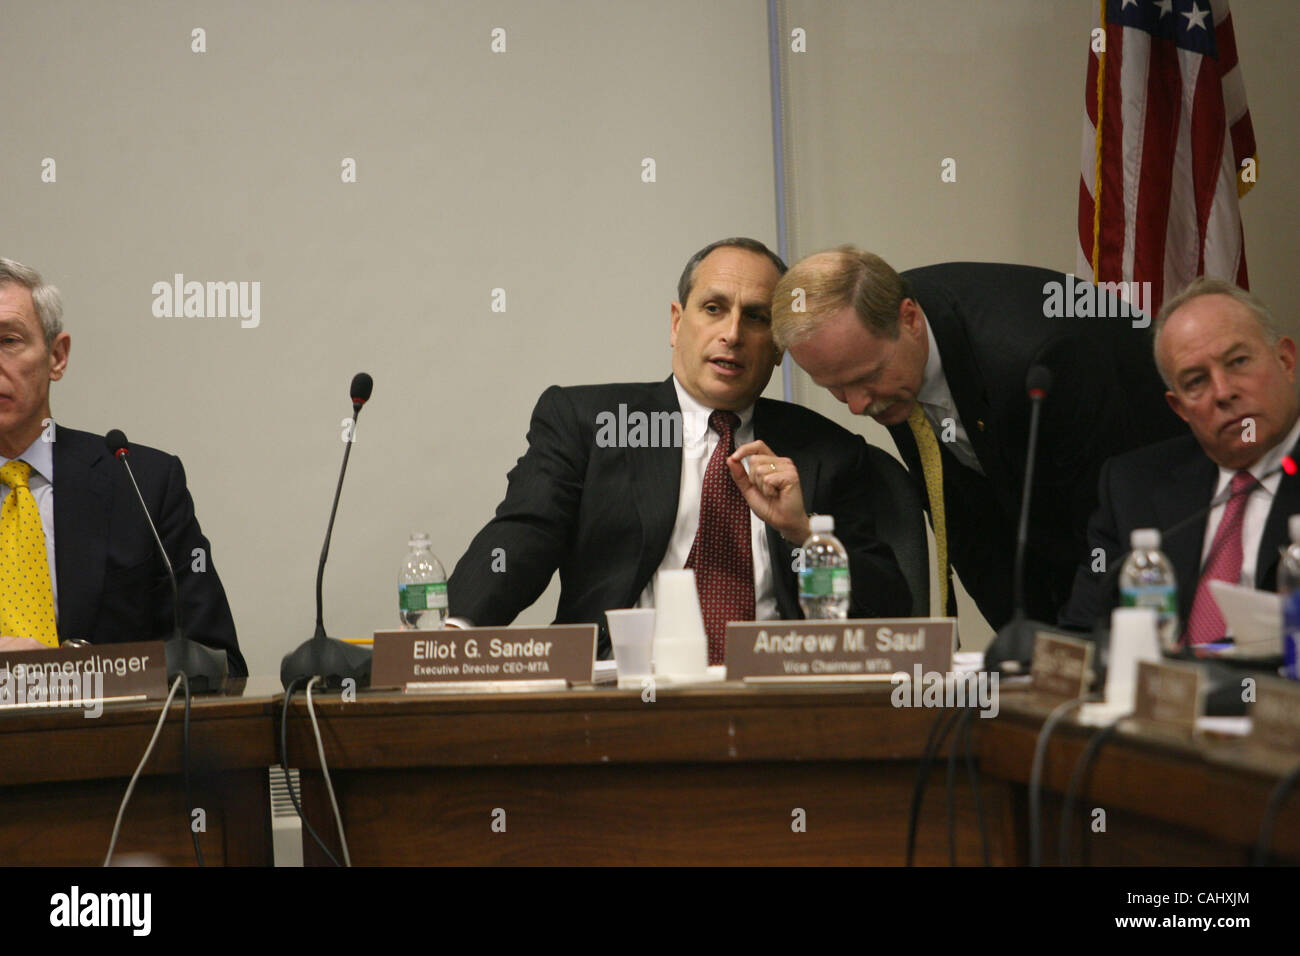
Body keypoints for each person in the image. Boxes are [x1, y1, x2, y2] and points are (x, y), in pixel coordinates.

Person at [448, 238, 911, 660]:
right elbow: (524, 533)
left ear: (778, 347)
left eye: (756, 317)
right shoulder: (591, 422)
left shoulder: (824, 451)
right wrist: (453, 634)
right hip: (621, 685)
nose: (732, 333)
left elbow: (890, 609)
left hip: (772, 692)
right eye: (713, 308)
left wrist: (804, 532)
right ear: (676, 322)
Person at [772, 249, 1181, 629]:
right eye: (835, 388)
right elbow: (971, 529)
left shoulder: (1039, 360)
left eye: (866, 378)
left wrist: (1068, 652)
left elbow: (1107, 528)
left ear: (910, 320)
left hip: (1164, 540)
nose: (857, 405)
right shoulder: (887, 364)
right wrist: (1023, 644)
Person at [0, 258, 245, 675]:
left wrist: (72, 674)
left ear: (57, 356)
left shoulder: (142, 484)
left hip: (112, 735)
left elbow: (214, 661)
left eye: (8, 340)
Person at [1061, 278, 1300, 642]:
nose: (1223, 392)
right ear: (1179, 408)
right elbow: (1081, 633)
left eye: (1238, 361)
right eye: (1195, 381)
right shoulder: (1133, 484)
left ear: (1286, 361)